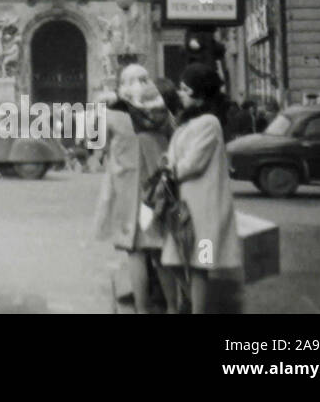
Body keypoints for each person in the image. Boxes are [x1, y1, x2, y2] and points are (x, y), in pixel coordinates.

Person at [160, 64, 243, 314]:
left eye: (186, 89)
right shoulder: (191, 121)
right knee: (174, 259)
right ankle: (190, 301)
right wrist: (168, 164)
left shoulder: (209, 123)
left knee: (200, 264)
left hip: (205, 211)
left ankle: (198, 310)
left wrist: (170, 169)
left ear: (200, 93)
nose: (180, 94)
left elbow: (193, 163)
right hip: (186, 208)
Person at [94, 63, 176, 313]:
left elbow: (96, 150)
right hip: (157, 192)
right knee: (159, 249)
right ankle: (174, 306)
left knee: (135, 252)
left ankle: (142, 309)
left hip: (127, 191)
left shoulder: (112, 115)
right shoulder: (163, 114)